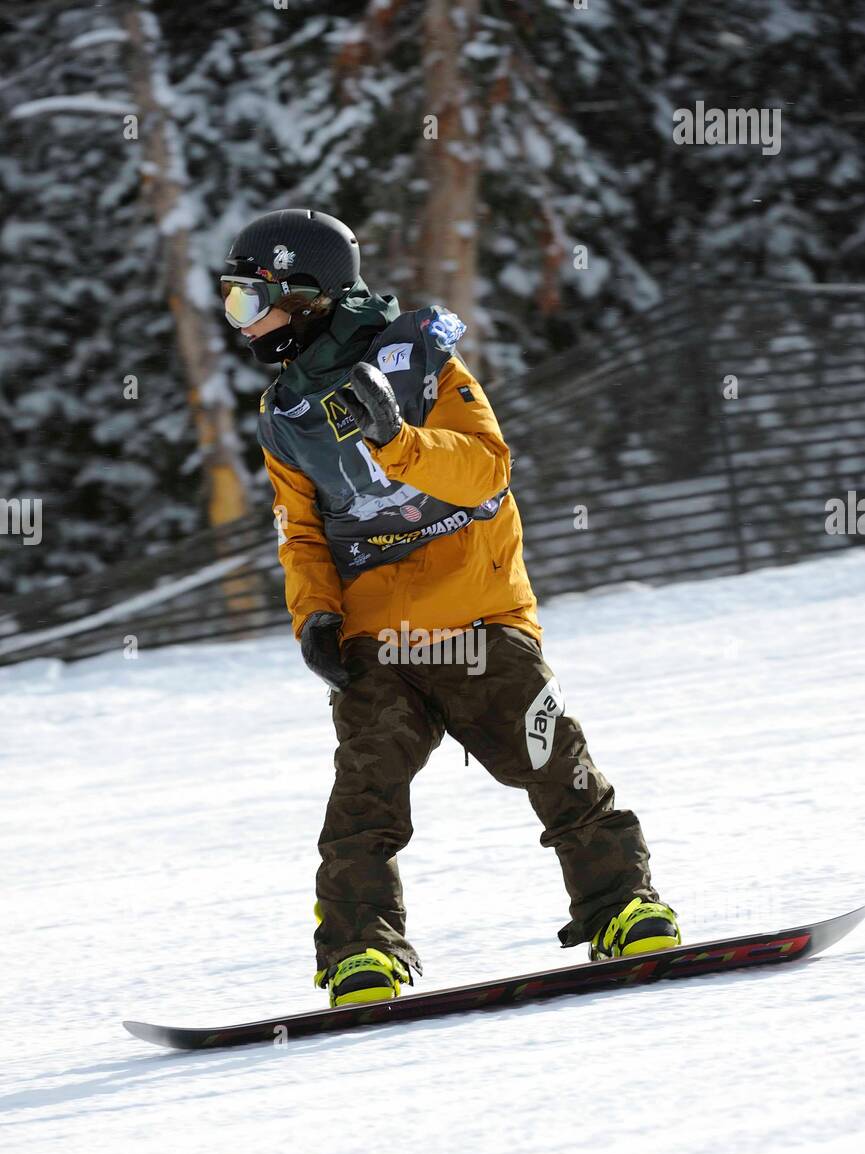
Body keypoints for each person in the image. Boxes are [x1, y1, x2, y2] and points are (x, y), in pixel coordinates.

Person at [221, 208, 679, 1007]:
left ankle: (621, 907)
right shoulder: (285, 416)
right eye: (233, 304)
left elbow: (486, 473)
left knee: (555, 765)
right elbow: (300, 531)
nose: (245, 325)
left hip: (477, 618)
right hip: (376, 637)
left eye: (251, 302)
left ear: (312, 296)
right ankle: (361, 953)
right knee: (362, 801)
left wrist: (397, 439)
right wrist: (316, 616)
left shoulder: (418, 359)